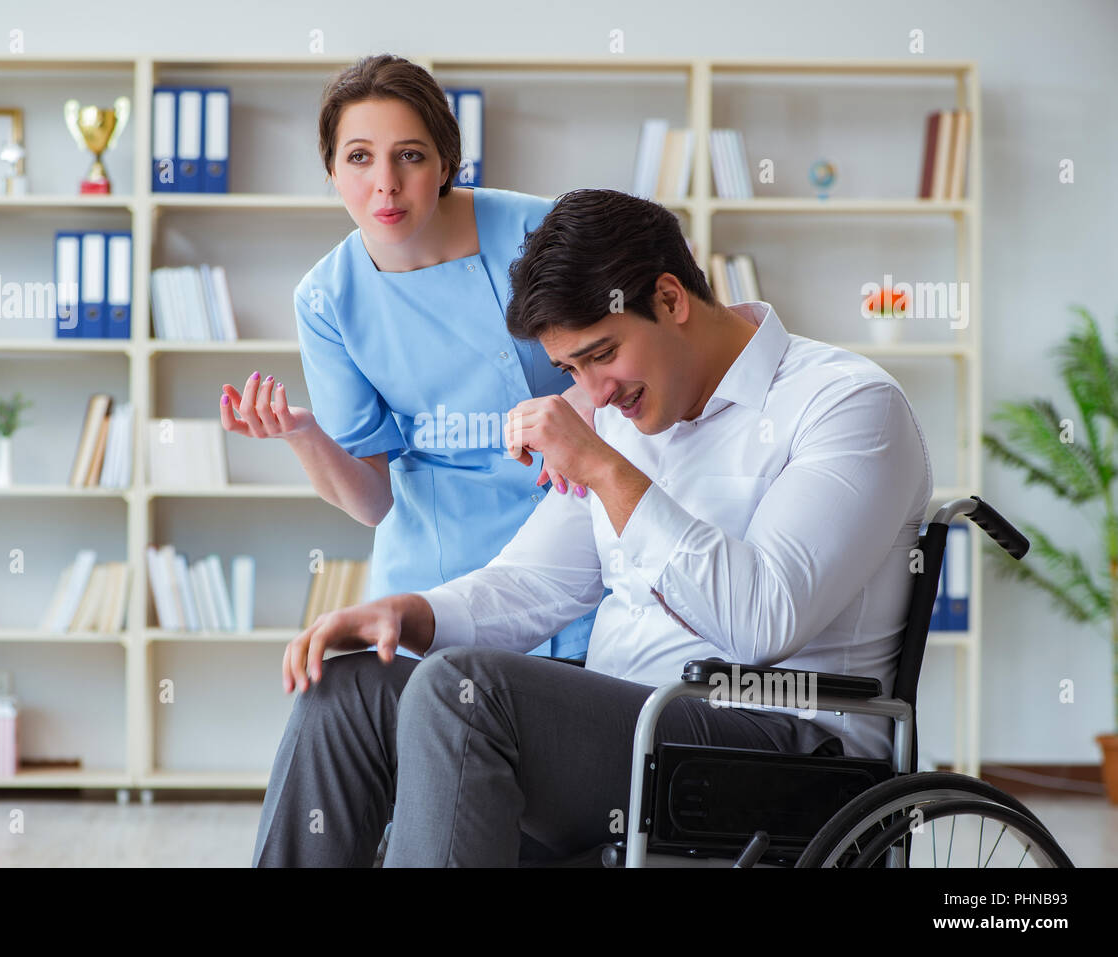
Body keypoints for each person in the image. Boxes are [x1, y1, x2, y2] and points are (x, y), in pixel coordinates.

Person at [252, 188, 933, 867]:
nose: (595, 392)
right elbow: (533, 584)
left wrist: (608, 471)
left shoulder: (847, 406)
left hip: (781, 750)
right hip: (635, 733)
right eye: (573, 370)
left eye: (602, 354)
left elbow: (764, 619)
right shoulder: (628, 419)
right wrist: (411, 612)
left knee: (462, 692)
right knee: (348, 690)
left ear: (670, 299)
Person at [219, 54, 599, 666]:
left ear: (447, 162)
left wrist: (582, 397)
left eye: (411, 155)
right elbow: (373, 501)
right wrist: (302, 431)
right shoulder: (327, 299)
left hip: (573, 557)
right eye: (360, 157)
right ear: (332, 170)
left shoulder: (538, 231)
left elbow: (647, 318)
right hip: (435, 585)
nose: (385, 184)